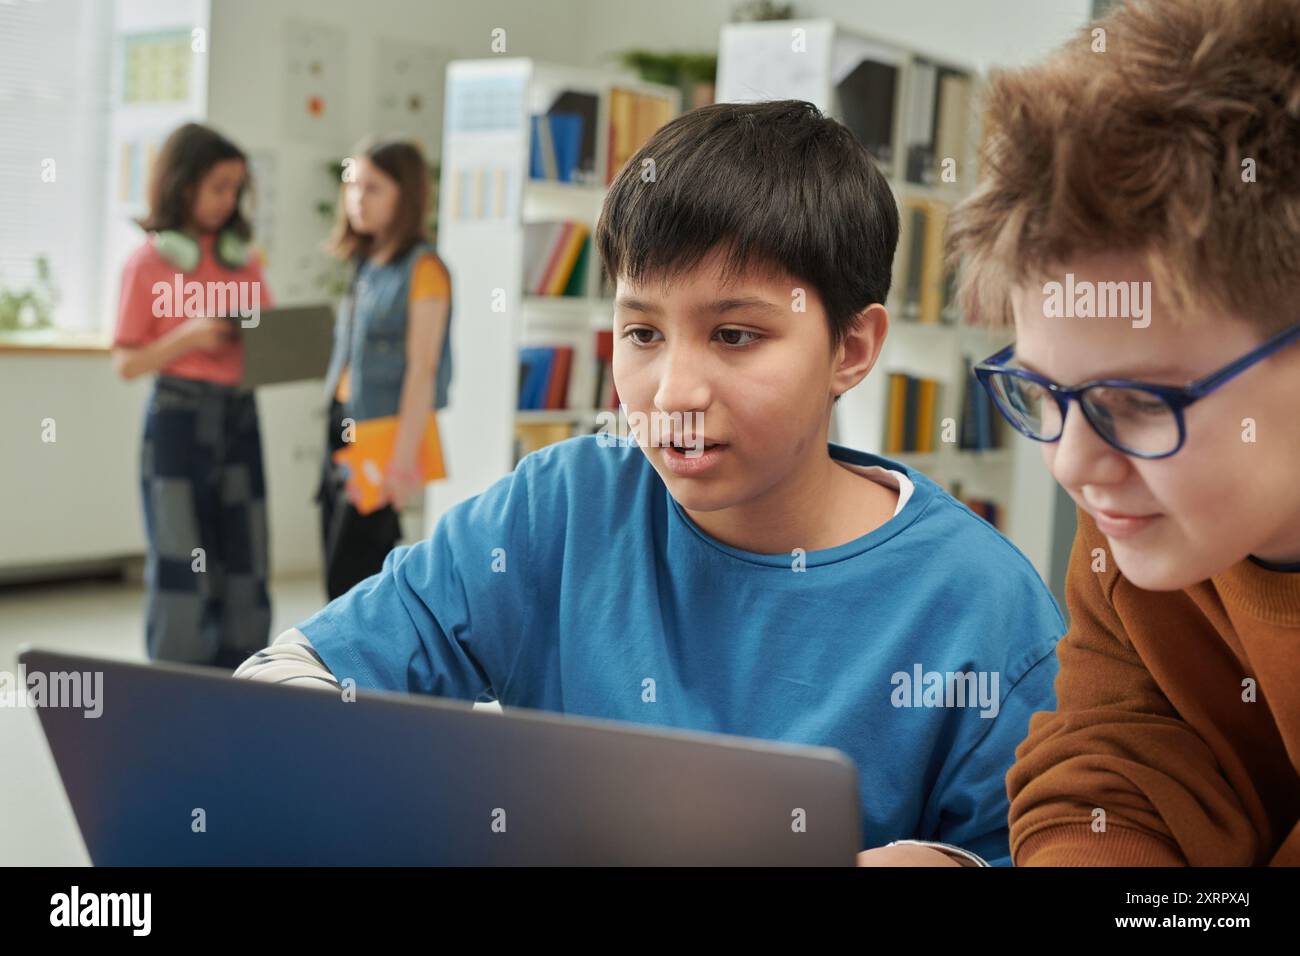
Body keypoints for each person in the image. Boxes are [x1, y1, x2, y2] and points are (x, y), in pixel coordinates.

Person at [238, 100, 1064, 865]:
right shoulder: (561, 507)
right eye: (641, 331)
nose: (672, 392)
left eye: (735, 335)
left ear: (850, 348)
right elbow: (300, 670)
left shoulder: (982, 608)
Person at [948, 0, 1300, 864]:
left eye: (1140, 400)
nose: (1073, 463)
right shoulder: (1146, 531)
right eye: (1043, 391)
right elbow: (1113, 756)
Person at [112, 122, 273, 668]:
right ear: (183, 185)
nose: (228, 201)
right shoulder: (148, 263)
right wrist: (188, 336)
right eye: (217, 187)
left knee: (244, 553)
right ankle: (176, 684)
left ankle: (245, 674)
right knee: (182, 555)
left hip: (239, 416)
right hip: (178, 418)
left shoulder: (243, 260)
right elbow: (126, 362)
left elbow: (270, 336)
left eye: (236, 189)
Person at [318, 138, 453, 599]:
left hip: (382, 433)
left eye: (373, 187)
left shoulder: (424, 268)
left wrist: (401, 462)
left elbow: (423, 369)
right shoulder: (366, 264)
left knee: (353, 567)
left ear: (405, 195)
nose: (357, 197)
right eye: (352, 183)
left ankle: (358, 671)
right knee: (335, 555)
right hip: (343, 422)